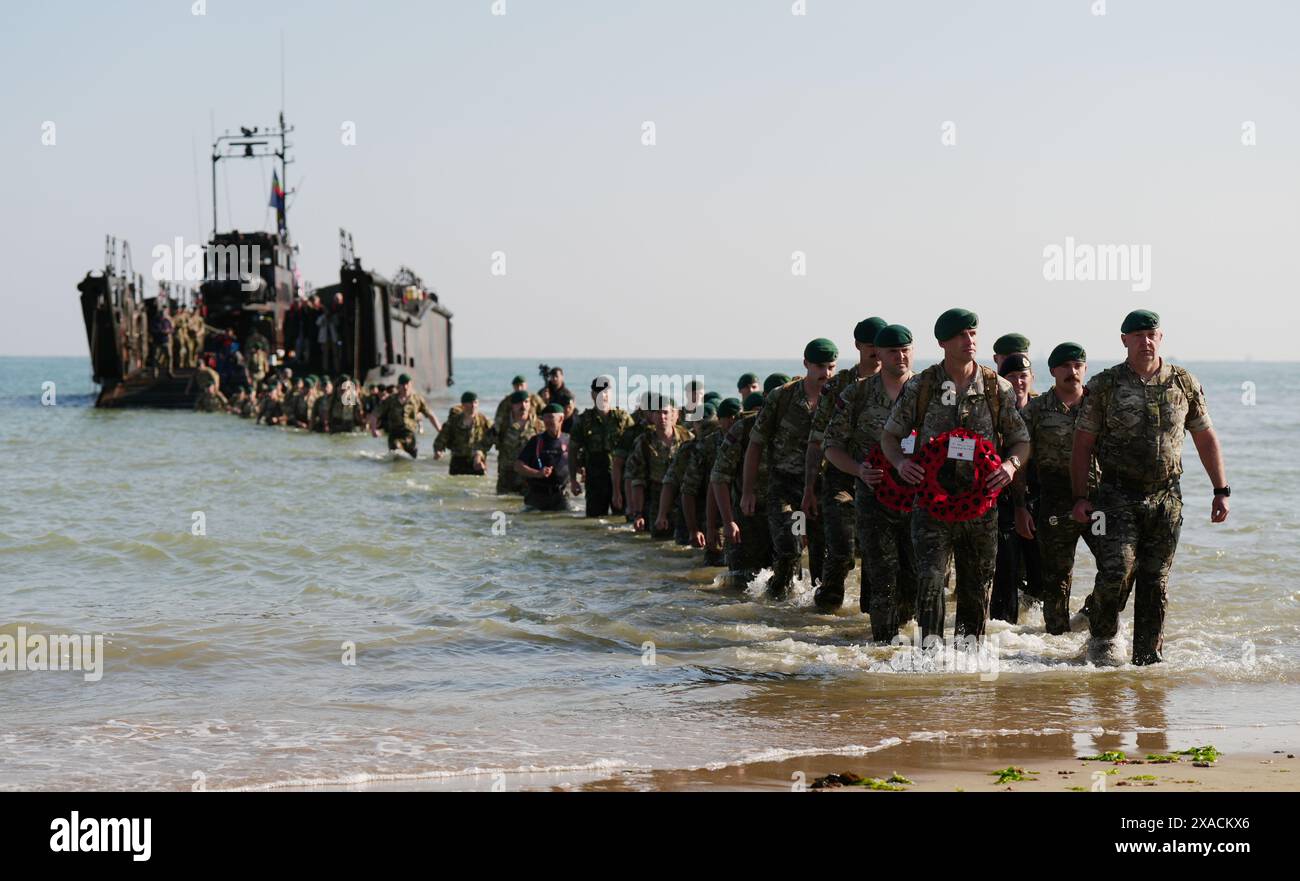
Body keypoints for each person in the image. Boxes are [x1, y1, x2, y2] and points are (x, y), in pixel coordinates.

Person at [1071, 310, 1229, 665]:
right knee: (1116, 569)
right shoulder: (1105, 385)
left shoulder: (1183, 382)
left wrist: (1221, 489)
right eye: (1137, 335)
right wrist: (1080, 497)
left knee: (1155, 580)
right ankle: (1102, 640)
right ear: (1124, 340)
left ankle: (1147, 657)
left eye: (1151, 334)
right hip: (1115, 495)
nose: (1145, 341)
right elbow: (1082, 443)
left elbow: (1205, 437)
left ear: (1161, 338)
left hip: (1166, 497)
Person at [880, 308, 1030, 642]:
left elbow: (1021, 441)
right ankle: (931, 660)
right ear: (942, 342)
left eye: (973, 334)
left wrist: (1010, 466)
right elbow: (889, 436)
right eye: (961, 335)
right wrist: (901, 463)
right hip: (931, 506)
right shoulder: (922, 386)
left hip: (981, 507)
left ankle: (969, 664)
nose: (970, 341)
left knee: (977, 587)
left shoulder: (997, 387)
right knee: (931, 584)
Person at [823, 324, 918, 639]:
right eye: (893, 351)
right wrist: (859, 470)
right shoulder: (858, 393)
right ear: (879, 353)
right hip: (874, 498)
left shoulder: (928, 391)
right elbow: (831, 446)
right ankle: (883, 647)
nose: (901, 357)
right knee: (882, 574)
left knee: (916, 577)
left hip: (919, 500)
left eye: (906, 350)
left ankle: (908, 643)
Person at [1015, 342, 1106, 635]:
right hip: (1054, 503)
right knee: (1055, 580)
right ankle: (1056, 646)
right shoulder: (1036, 410)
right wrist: (1019, 507)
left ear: (1085, 369)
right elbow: (1020, 461)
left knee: (1116, 566)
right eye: (1065, 366)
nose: (1072, 372)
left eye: (1078, 366)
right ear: (1053, 371)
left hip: (1098, 504)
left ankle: (1091, 613)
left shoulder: (1099, 405)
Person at [743, 340, 838, 600]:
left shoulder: (839, 397)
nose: (826, 374)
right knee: (790, 548)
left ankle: (815, 614)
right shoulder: (782, 397)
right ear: (806, 364)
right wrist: (748, 490)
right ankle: (776, 601)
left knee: (823, 556)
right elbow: (756, 444)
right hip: (786, 487)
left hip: (822, 488)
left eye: (831, 367)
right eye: (820, 367)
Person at [805, 317, 886, 611]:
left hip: (883, 479)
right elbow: (817, 441)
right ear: (858, 347)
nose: (876, 351)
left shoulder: (902, 383)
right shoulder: (838, 386)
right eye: (870, 346)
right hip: (840, 477)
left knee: (875, 550)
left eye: (882, 345)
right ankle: (827, 607)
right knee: (841, 548)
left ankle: (869, 612)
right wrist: (808, 489)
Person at [712, 378, 786, 589]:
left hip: (787, 514)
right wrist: (727, 521)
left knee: (790, 576)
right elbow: (719, 477)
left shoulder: (798, 426)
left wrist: (805, 523)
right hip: (748, 518)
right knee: (742, 583)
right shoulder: (743, 429)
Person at [990, 353, 1043, 623]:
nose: (1019, 381)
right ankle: (1003, 629)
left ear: (1032, 378)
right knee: (1006, 567)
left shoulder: (1044, 409)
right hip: (1004, 500)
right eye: (1012, 377)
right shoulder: (993, 412)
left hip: (1041, 501)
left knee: (1041, 571)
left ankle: (1038, 630)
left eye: (1023, 376)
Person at [682, 397, 740, 564]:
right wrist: (696, 529)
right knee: (713, 565)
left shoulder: (749, 439)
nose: (733, 422)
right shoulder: (705, 446)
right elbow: (689, 488)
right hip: (713, 513)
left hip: (741, 513)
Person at [626, 395, 692, 538]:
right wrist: (638, 513)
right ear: (652, 416)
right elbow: (637, 480)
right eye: (657, 413)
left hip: (684, 500)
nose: (662, 417)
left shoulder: (688, 438)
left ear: (674, 414)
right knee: (658, 545)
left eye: (665, 412)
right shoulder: (644, 442)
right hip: (655, 501)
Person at [568, 376, 634, 516]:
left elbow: (636, 448)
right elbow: (572, 450)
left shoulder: (622, 419)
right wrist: (573, 480)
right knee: (595, 523)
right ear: (592, 395)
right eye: (598, 392)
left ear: (611, 394)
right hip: (595, 481)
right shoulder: (583, 421)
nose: (602, 396)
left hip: (620, 481)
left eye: (605, 392)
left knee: (622, 521)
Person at [657, 403, 718, 543]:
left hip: (716, 514)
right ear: (694, 425)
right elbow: (672, 483)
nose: (704, 429)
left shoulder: (724, 445)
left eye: (708, 425)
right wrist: (662, 514)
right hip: (691, 513)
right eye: (700, 424)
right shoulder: (687, 450)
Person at [514, 403, 573, 511]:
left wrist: (580, 472)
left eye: (551, 417)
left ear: (561, 418)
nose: (547, 421)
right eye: (545, 418)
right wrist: (537, 473)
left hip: (561, 497)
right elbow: (518, 466)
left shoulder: (569, 440)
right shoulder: (536, 441)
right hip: (537, 496)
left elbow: (576, 462)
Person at [369, 373, 441, 458]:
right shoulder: (391, 400)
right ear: (398, 386)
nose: (406, 387)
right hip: (395, 435)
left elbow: (430, 415)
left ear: (411, 384)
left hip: (410, 436)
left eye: (407, 384)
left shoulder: (417, 399)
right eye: (403, 385)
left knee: (412, 461)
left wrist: (440, 430)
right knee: (397, 454)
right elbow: (374, 415)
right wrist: (373, 430)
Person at [434, 392, 495, 474]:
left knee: (478, 484)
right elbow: (442, 437)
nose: (473, 406)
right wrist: (438, 450)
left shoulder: (483, 420)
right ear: (463, 405)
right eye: (470, 403)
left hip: (476, 461)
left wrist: (480, 453)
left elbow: (493, 437)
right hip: (458, 460)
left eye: (475, 402)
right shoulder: (454, 421)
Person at [497, 391, 545, 494]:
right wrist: (478, 456)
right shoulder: (502, 425)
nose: (523, 406)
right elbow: (483, 443)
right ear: (512, 406)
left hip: (530, 480)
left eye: (526, 402)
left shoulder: (539, 426)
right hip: (506, 481)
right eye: (519, 403)